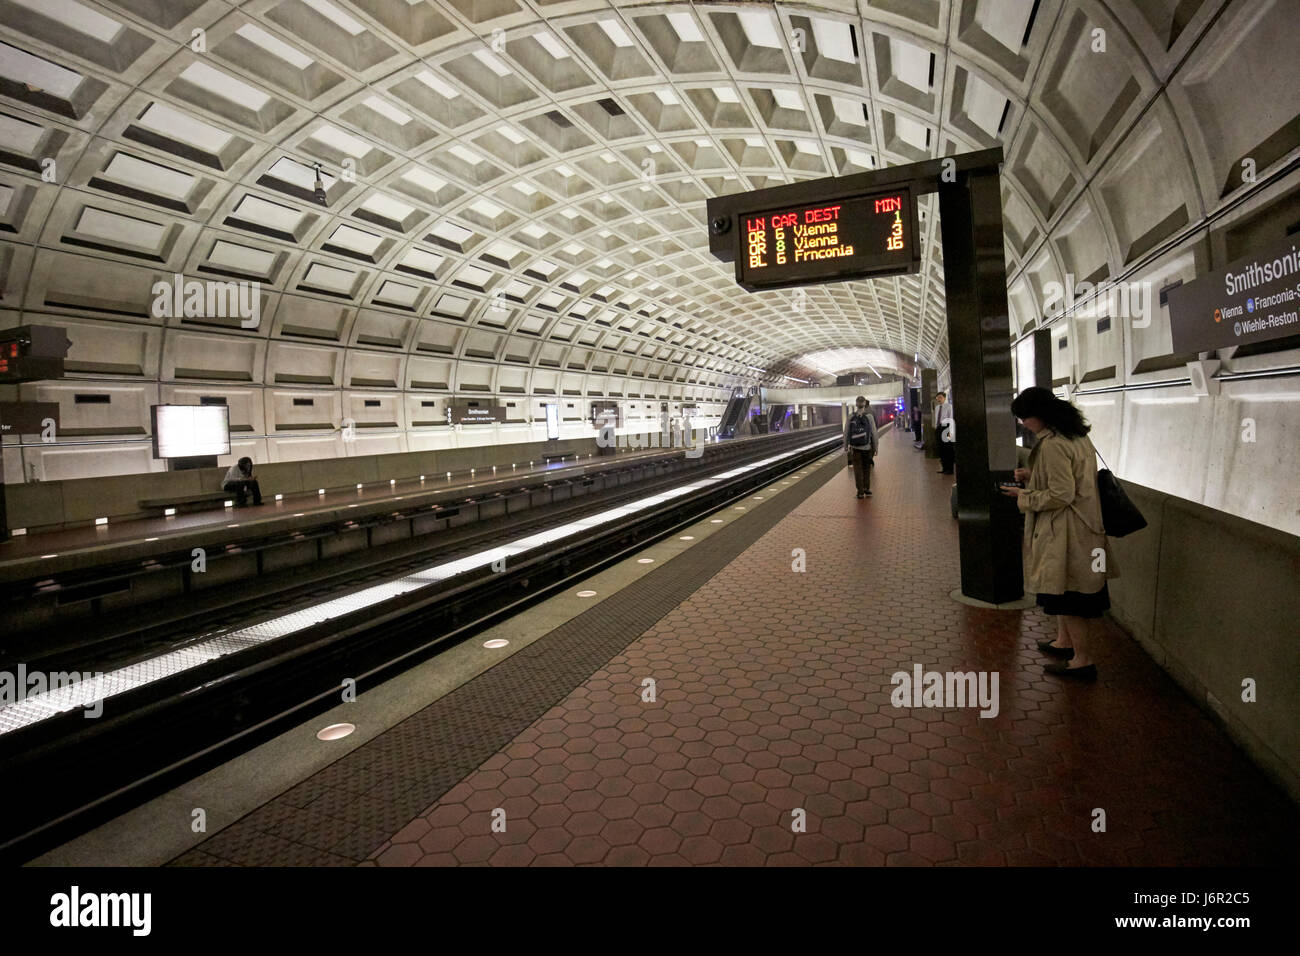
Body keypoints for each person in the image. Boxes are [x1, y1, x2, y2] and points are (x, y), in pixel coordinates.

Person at [999, 387, 1117, 680]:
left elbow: (1061, 494)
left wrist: (1022, 496)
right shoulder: (1076, 435)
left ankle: (1082, 661)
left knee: (1071, 598)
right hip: (1085, 528)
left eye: (1025, 417)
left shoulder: (1052, 445)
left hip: (1066, 532)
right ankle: (1064, 643)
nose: (1023, 423)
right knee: (1062, 589)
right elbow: (1072, 478)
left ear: (1040, 415)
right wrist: (1032, 476)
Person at [844, 396, 878, 498]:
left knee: (857, 470)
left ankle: (860, 491)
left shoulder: (850, 416)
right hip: (867, 448)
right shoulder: (869, 417)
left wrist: (845, 445)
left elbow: (846, 432)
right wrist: (876, 447)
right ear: (864, 404)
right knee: (866, 468)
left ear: (856, 404)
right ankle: (866, 488)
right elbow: (874, 433)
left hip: (855, 448)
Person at [933, 392, 955, 474]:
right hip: (939, 428)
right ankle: (944, 468)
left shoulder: (949, 406)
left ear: (944, 398)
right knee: (941, 449)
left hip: (946, 428)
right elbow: (936, 419)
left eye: (940, 397)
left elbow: (951, 418)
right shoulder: (937, 407)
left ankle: (950, 469)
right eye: (937, 398)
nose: (939, 399)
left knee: (948, 449)